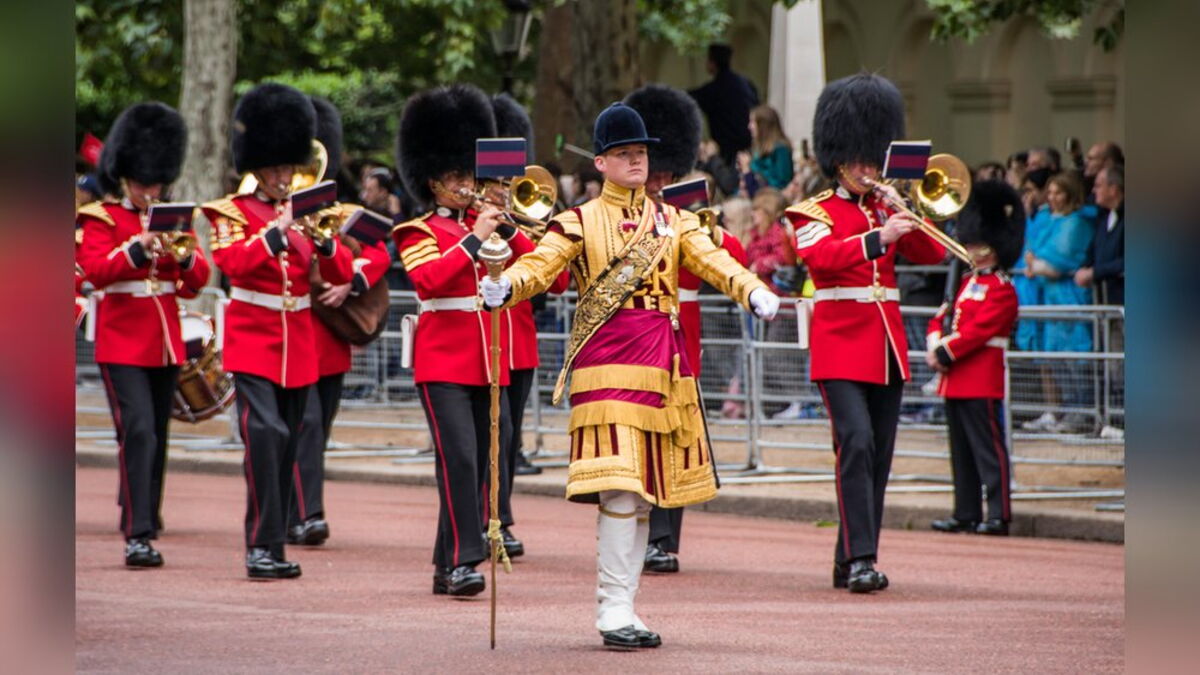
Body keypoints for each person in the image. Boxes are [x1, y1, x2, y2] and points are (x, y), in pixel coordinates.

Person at [480, 102, 779, 649]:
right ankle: (613, 610)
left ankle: (625, 606)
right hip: (606, 369)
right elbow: (540, 265)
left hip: (662, 370)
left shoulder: (673, 220)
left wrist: (751, 288)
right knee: (619, 491)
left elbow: (711, 260)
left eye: (640, 152)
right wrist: (506, 285)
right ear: (601, 163)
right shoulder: (578, 220)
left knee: (644, 497)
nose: (636, 161)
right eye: (624, 153)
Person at [784, 73, 946, 593]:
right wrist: (879, 237)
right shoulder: (810, 212)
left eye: (873, 162)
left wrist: (908, 215)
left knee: (877, 453)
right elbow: (822, 261)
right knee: (854, 443)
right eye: (860, 162)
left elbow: (932, 255)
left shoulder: (887, 208)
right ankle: (862, 559)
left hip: (886, 348)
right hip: (839, 345)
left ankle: (849, 557)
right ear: (838, 160)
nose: (868, 171)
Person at [203, 83, 354, 579]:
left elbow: (339, 272)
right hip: (252, 336)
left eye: (289, 168)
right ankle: (259, 546)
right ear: (258, 168)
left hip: (298, 341)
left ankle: (279, 540)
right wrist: (276, 231)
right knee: (265, 436)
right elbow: (233, 263)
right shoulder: (230, 213)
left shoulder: (310, 212)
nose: (284, 176)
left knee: (290, 440)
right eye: (276, 169)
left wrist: (328, 245)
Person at [392, 84, 535, 596]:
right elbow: (431, 281)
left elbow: (548, 278)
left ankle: (443, 564)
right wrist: (476, 235)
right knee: (460, 460)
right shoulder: (416, 232)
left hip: (488, 360)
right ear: (432, 183)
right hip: (442, 363)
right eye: (454, 178)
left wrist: (511, 229)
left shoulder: (495, 226)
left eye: (467, 175)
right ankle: (463, 561)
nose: (465, 185)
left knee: (484, 464)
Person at [77, 101, 211, 568]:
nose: (150, 190)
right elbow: (95, 271)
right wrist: (137, 247)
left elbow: (196, 283)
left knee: (155, 433)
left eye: (156, 183)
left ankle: (145, 515)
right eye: (142, 182)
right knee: (137, 432)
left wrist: (187, 255)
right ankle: (136, 536)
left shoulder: (174, 220)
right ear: (124, 176)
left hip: (165, 341)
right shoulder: (100, 219)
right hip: (121, 341)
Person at [625, 83, 748, 575]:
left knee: (677, 441)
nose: (660, 181)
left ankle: (664, 540)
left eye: (667, 173)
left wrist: (712, 231)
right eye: (654, 173)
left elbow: (734, 264)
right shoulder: (623, 218)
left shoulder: (690, 219)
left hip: (681, 345)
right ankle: (636, 528)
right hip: (635, 343)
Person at [287, 97, 393, 547]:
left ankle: (299, 508)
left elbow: (381, 252)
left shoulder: (343, 211)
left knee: (319, 426)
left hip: (329, 338)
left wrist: (351, 279)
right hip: (292, 332)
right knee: (304, 424)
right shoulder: (277, 214)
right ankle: (305, 513)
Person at [928, 181, 1024, 537]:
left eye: (978, 244)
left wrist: (945, 350)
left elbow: (981, 330)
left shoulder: (1002, 288)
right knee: (962, 452)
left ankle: (998, 513)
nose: (972, 249)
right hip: (954, 379)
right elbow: (941, 316)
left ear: (995, 248)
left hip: (980, 377)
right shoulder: (967, 282)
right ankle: (965, 511)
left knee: (988, 450)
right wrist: (935, 341)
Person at [1019, 172, 1095, 433]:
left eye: (1058, 192)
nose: (1052, 197)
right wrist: (1036, 265)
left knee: (1076, 358)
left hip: (1069, 297)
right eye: (1049, 192)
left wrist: (1038, 265)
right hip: (1049, 298)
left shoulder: (1077, 223)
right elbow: (1033, 258)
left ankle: (1082, 414)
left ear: (1071, 195)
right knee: (1055, 359)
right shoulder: (1050, 219)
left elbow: (1055, 263)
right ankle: (1062, 413)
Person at [688, 44, 759, 166]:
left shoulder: (714, 89)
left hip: (727, 153)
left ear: (712, 63)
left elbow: (689, 98)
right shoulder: (745, 83)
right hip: (749, 148)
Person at [1075, 166, 1124, 305]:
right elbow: (1092, 251)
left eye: (1098, 186)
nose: (1093, 190)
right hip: (1106, 304)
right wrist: (1084, 267)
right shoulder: (1104, 219)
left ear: (1113, 190)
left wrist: (1095, 273)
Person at [743, 104, 794, 192]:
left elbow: (782, 183)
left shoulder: (781, 149)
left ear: (763, 125)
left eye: (752, 122)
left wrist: (748, 169)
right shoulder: (757, 150)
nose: (749, 126)